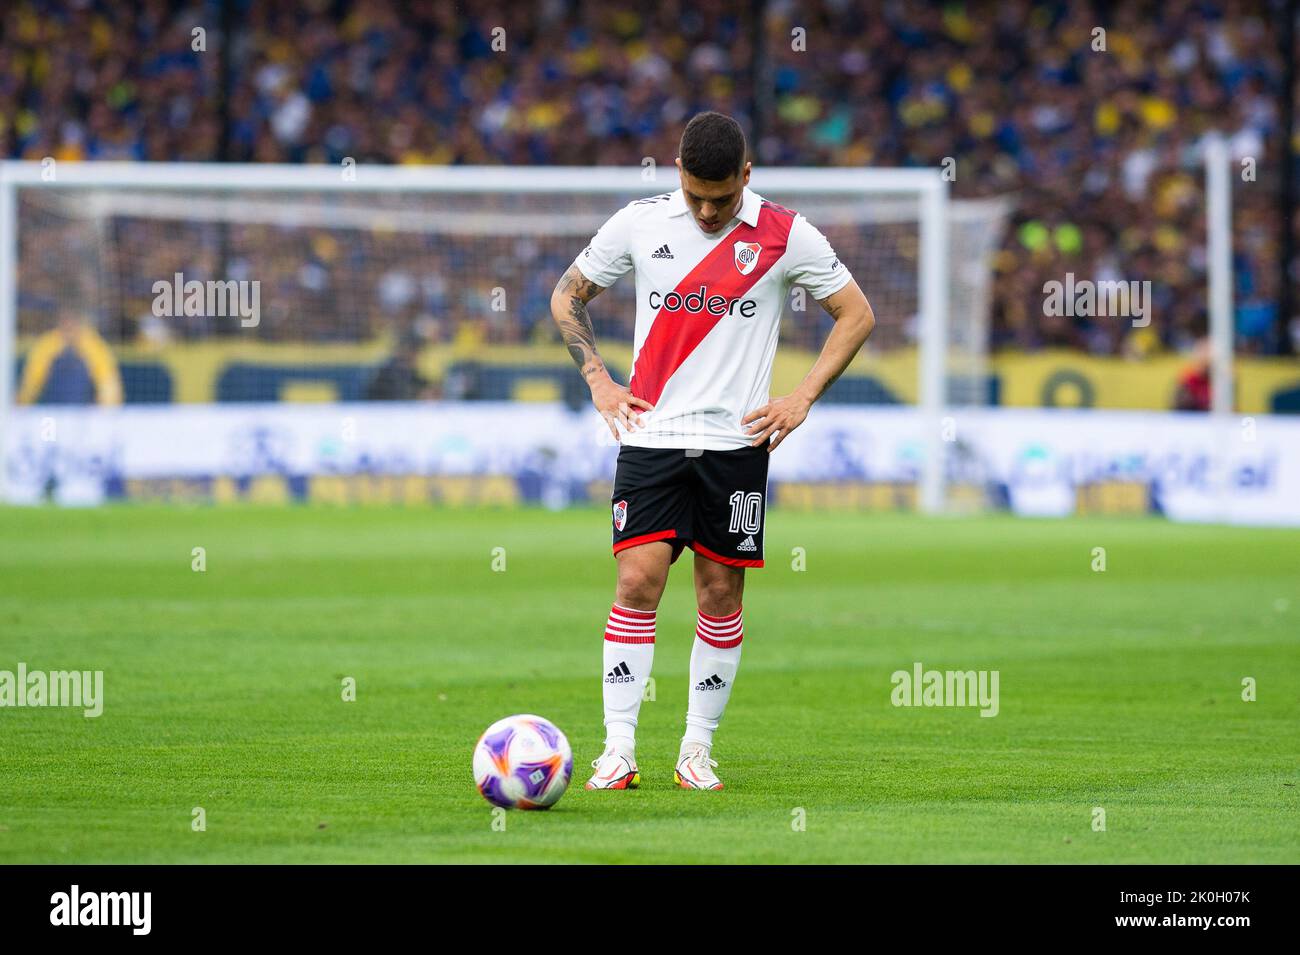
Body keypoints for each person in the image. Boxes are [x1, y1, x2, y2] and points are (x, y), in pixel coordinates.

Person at [548, 111, 875, 791]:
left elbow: (857, 312)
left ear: (746, 178)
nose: (704, 210)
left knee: (720, 592)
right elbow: (567, 295)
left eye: (721, 199)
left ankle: (696, 749)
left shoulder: (787, 235)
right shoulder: (640, 222)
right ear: (677, 172)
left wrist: (803, 395)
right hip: (651, 438)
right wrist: (599, 380)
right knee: (638, 581)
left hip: (737, 446)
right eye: (695, 194)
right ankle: (618, 749)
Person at [17, 309, 123, 406]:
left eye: (72, 322)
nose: (69, 326)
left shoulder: (93, 345)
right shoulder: (48, 344)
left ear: (80, 322)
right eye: (65, 321)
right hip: (53, 412)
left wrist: (104, 414)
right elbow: (30, 385)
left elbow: (108, 386)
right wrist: (21, 406)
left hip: (85, 413)